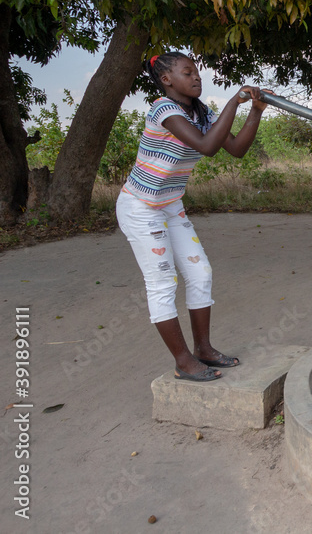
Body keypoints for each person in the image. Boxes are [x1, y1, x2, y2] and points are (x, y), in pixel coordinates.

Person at [116, 51, 269, 382]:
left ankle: (203, 349)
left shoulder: (201, 112)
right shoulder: (164, 109)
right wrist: (235, 101)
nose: (197, 77)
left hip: (170, 204)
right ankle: (183, 361)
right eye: (188, 73)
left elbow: (236, 148)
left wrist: (254, 112)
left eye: (198, 72)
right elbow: (206, 146)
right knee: (162, 283)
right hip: (140, 207)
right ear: (168, 80)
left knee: (200, 274)